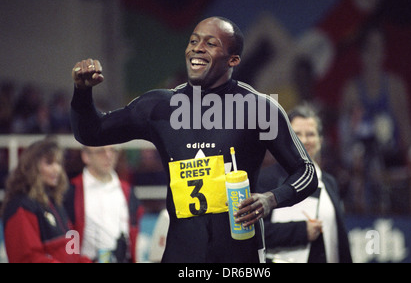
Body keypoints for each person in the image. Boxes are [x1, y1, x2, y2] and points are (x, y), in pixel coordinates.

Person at [70, 16, 318, 263]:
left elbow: (306, 172)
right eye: (193, 41)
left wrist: (270, 199)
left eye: (211, 43)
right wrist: (82, 94)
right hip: (181, 256)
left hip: (240, 258)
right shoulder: (159, 106)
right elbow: (92, 133)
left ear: (233, 59)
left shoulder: (258, 108)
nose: (197, 48)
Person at [339, 24, 411, 214]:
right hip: (361, 161)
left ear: (384, 52)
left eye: (380, 48)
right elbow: (345, 137)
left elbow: (407, 128)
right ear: (362, 53)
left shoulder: (395, 86)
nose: (376, 54)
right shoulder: (351, 90)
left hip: (390, 158)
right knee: (362, 164)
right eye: (371, 48)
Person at [258, 103, 352, 263]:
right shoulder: (266, 179)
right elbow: (254, 233)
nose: (303, 140)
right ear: (284, 139)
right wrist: (300, 231)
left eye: (310, 134)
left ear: (320, 140)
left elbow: (340, 238)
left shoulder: (329, 182)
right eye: (297, 134)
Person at [1, 138, 91, 263]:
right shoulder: (21, 206)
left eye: (58, 163)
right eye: (49, 163)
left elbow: (71, 255)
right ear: (32, 167)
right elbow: (27, 258)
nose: (57, 169)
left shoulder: (54, 202)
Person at [64, 145, 144, 263]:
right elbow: (67, 235)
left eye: (113, 150)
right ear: (86, 156)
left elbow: (134, 233)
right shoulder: (71, 191)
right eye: (100, 151)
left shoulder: (128, 191)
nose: (108, 155)